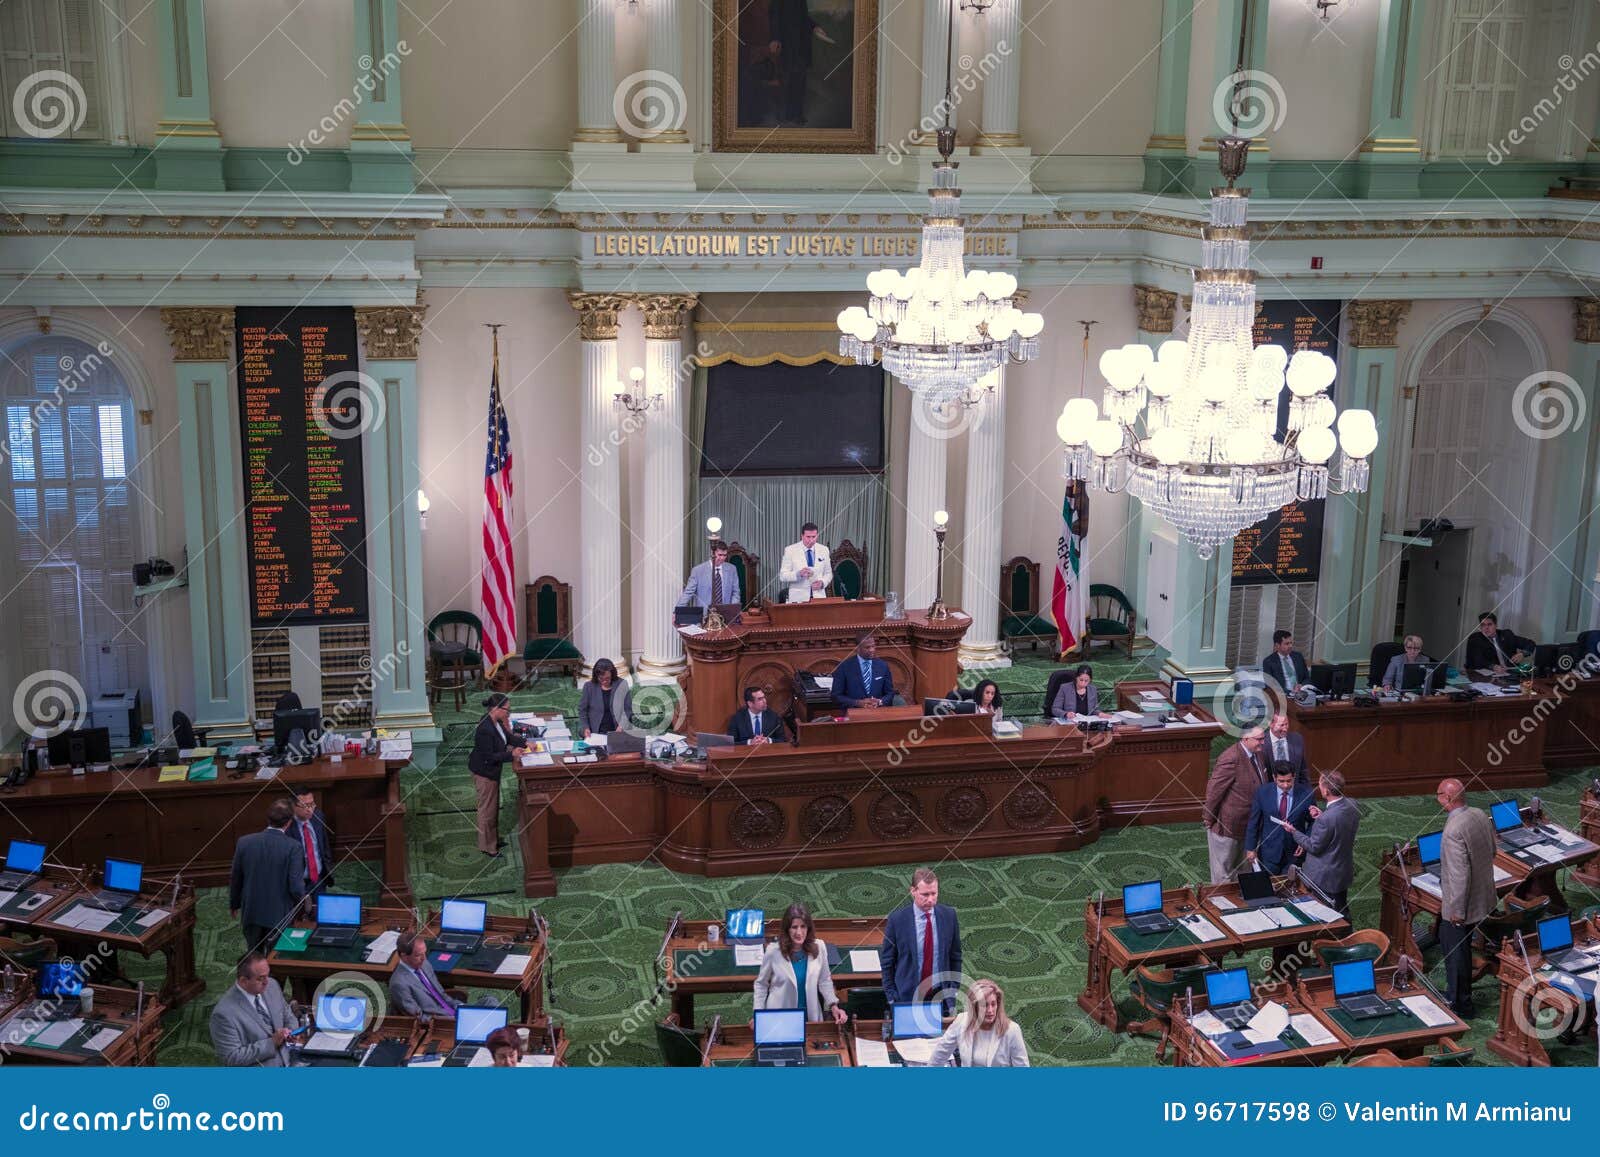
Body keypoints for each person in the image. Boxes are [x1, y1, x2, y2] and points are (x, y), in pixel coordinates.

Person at [1436, 777, 1497, 1017]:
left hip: (1463, 906)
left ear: (1448, 798)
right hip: (1484, 897)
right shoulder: (1479, 814)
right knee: (1459, 948)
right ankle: (1459, 997)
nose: (1436, 799)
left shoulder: (1453, 830)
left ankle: (1459, 1004)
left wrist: (1457, 912)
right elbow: (1492, 851)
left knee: (1455, 952)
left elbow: (1459, 876)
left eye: (1438, 794)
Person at [1276, 769, 1360, 916]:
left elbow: (1313, 847)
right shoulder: (1352, 804)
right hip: (1342, 871)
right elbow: (1338, 823)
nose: (1319, 788)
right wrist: (1322, 815)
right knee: (1341, 907)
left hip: (1324, 877)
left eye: (1320, 785)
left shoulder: (1326, 819)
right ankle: (1347, 930)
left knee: (1325, 915)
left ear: (1326, 791)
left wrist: (1294, 831)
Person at [229, 799, 306, 956]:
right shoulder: (293, 847)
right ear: (289, 822)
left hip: (252, 912)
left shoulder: (244, 842)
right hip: (279, 915)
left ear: (268, 818)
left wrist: (234, 904)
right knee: (277, 958)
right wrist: (303, 907)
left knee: (254, 955)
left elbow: (236, 877)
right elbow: (296, 887)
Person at [880, 867, 963, 1011]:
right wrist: (891, 996)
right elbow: (887, 962)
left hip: (941, 997)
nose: (930, 900)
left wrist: (953, 990)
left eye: (934, 893)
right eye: (925, 894)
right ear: (913, 891)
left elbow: (955, 956)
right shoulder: (897, 920)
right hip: (906, 997)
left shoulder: (949, 916)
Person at [753, 902, 847, 1023]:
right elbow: (761, 984)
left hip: (810, 1017)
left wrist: (834, 1006)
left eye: (803, 926)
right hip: (780, 1017)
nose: (799, 932)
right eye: (794, 927)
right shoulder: (773, 951)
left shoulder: (819, 947)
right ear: (787, 929)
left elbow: (824, 981)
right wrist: (758, 1013)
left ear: (808, 928)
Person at [1202, 726, 1267, 884]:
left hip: (1249, 826)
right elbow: (1214, 791)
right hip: (1227, 827)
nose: (1263, 742)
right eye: (1259, 739)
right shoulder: (1230, 758)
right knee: (1223, 874)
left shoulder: (1258, 753)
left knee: (1244, 872)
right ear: (1245, 739)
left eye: (1263, 738)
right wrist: (1208, 818)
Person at [210, 952, 297, 1067]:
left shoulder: (272, 985)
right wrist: (272, 1043)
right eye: (261, 978)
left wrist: (291, 1032)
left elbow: (288, 1015)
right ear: (243, 981)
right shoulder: (223, 1014)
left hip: (291, 1057)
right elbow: (232, 1058)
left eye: (267, 975)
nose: (266, 982)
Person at [468, 692, 528, 858]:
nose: (508, 713)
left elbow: (508, 738)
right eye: (507, 710)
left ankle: (492, 839)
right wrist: (512, 755)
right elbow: (489, 757)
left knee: (493, 808)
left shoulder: (495, 721)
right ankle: (488, 847)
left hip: (492, 771)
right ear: (496, 708)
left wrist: (525, 743)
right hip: (484, 773)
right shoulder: (485, 729)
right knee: (487, 811)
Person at [927, 979, 1029, 1067]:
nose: (990, 1010)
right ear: (974, 1007)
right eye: (985, 1005)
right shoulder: (961, 1021)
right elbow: (939, 1056)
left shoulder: (1012, 1030)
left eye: (993, 1004)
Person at [1244, 762, 1315, 876]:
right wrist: (1250, 848)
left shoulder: (1306, 793)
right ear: (1274, 778)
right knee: (1266, 885)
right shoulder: (1262, 792)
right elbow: (1254, 822)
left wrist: (1304, 842)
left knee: (1290, 886)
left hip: (1294, 853)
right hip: (1269, 853)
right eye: (1281, 781)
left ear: (1294, 777)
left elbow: (1313, 821)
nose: (1285, 785)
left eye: (1289, 781)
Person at [390, 930, 460, 1019]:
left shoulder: (424, 963)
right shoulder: (399, 984)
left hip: (450, 1011)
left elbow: (441, 994)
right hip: (439, 1022)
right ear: (404, 956)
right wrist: (452, 1019)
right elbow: (420, 1018)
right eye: (418, 955)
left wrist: (459, 1006)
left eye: (424, 953)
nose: (424, 958)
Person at [831, 634, 901, 707]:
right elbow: (836, 696)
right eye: (867, 647)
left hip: (878, 710)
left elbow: (889, 693)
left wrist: (880, 702)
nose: (872, 650)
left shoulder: (883, 666)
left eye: (873, 646)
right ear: (857, 648)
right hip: (854, 711)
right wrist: (857, 703)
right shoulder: (844, 667)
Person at [289, 786, 334, 896]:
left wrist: (327, 865)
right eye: (305, 806)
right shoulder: (287, 825)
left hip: (319, 879)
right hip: (298, 882)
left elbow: (325, 844)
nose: (310, 810)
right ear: (293, 806)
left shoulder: (318, 817)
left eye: (312, 804)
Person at [578, 657, 633, 739]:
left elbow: (628, 709)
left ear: (612, 675)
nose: (604, 681)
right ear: (596, 676)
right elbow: (582, 710)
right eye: (601, 678)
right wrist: (586, 727)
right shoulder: (589, 687)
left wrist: (622, 725)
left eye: (607, 678)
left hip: (617, 731)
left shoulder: (622, 684)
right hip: (596, 733)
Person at [778, 522, 832, 602]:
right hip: (798, 600)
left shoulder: (824, 550)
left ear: (817, 536)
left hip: (819, 598)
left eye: (813, 537)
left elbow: (828, 573)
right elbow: (783, 576)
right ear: (802, 536)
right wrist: (798, 574)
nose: (811, 540)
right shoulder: (790, 550)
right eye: (808, 537)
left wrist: (822, 583)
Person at [679, 541, 741, 610]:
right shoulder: (698, 571)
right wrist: (677, 610)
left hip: (726, 613)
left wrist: (732, 610)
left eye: (725, 555)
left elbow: (736, 592)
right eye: (720, 555)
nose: (722, 558)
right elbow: (688, 593)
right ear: (712, 553)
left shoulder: (732, 569)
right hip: (705, 614)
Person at [1464, 612, 1530, 673]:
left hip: (1510, 674)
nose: (1486, 628)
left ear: (1496, 625)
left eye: (1489, 624)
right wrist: (1493, 666)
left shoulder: (1507, 635)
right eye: (1483, 625)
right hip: (1486, 675)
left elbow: (1530, 643)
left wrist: (1522, 654)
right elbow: (1477, 660)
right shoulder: (1475, 638)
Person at [1264, 713, 1309, 783]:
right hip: (1270, 788)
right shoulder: (1261, 742)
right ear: (1271, 724)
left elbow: (1303, 769)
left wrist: (1306, 787)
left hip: (1294, 787)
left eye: (1286, 724)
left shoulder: (1297, 739)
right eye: (1281, 725)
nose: (1285, 729)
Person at [1260, 630, 1310, 694]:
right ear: (1277, 645)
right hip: (1283, 695)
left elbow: (1307, 678)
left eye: (1291, 643)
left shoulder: (1298, 657)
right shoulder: (1269, 661)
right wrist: (1290, 692)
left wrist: (1301, 685)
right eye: (1287, 644)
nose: (1290, 646)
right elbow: (1270, 686)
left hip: (1301, 694)